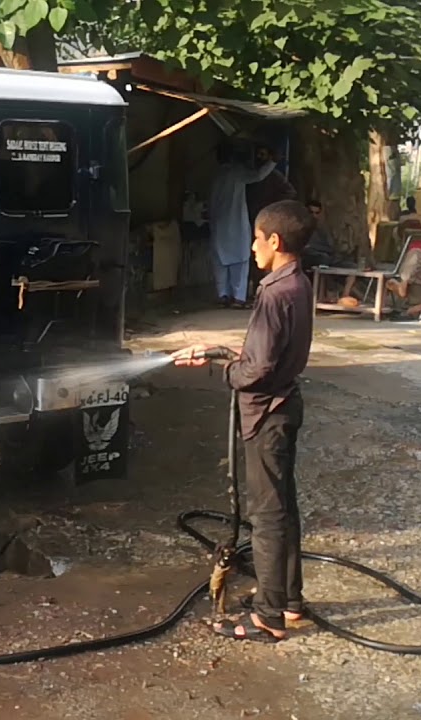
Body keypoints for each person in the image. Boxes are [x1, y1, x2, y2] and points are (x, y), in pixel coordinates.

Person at [171, 199, 317, 643]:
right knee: (283, 509)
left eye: (256, 239)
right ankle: (290, 602)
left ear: (274, 241)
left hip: (267, 414)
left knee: (267, 517)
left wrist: (233, 372)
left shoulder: (275, 293)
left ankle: (267, 617)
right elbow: (266, 355)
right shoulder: (297, 283)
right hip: (285, 403)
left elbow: (257, 370)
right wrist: (221, 352)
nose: (252, 248)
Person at [210, 143, 277, 308]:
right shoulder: (236, 173)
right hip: (236, 223)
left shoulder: (216, 175)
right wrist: (272, 162)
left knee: (220, 260)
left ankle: (223, 295)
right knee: (240, 261)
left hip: (219, 224)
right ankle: (239, 298)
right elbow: (258, 175)